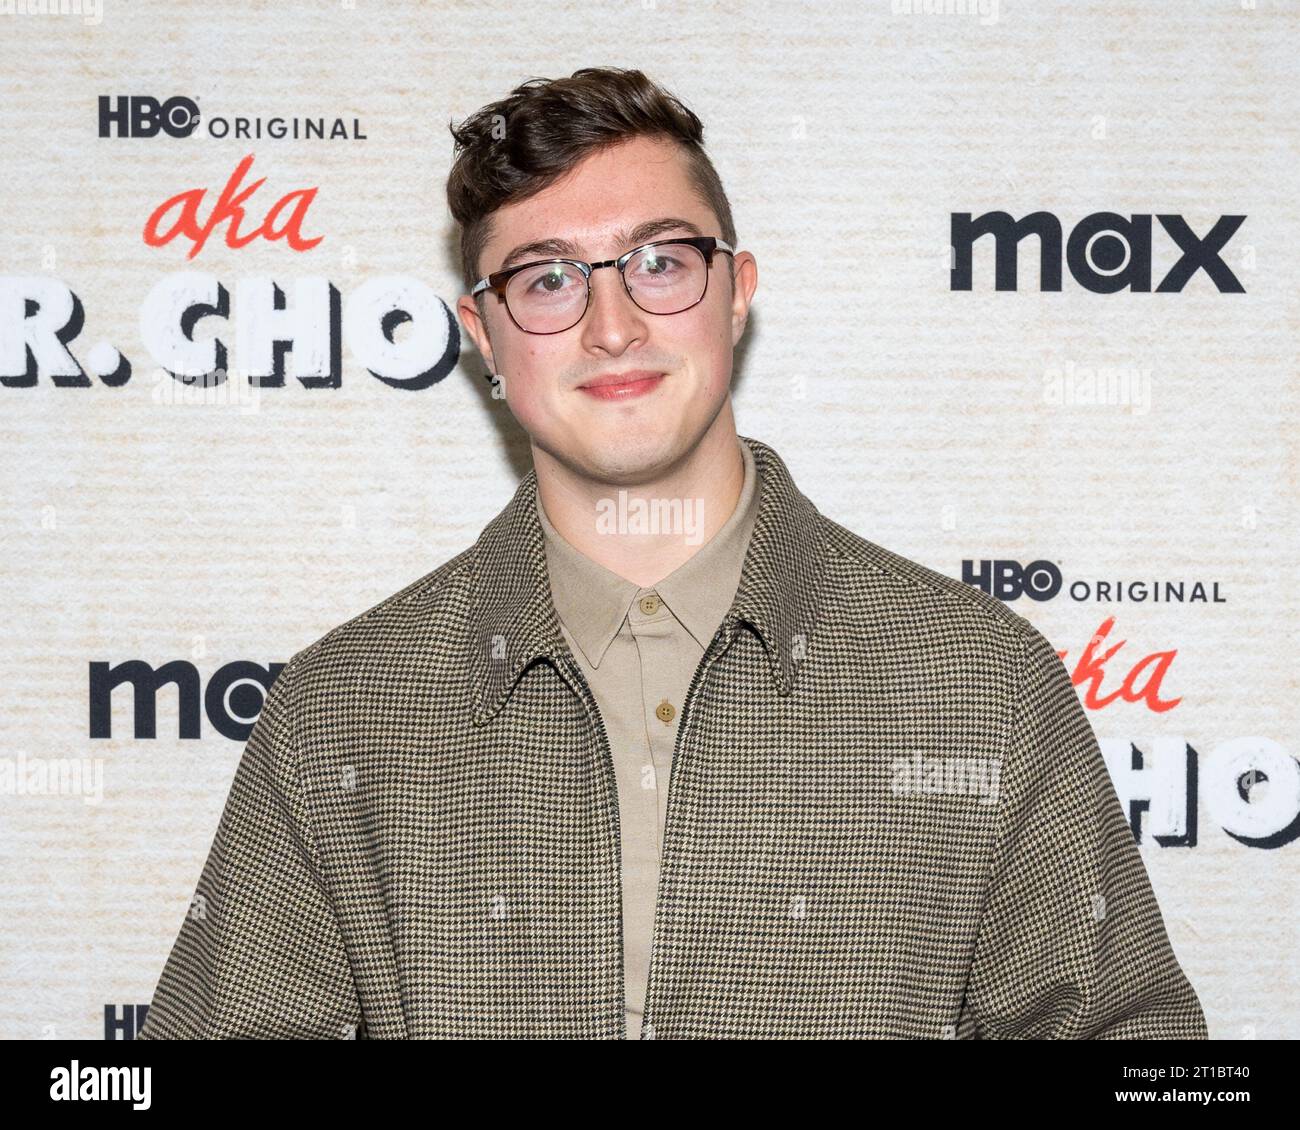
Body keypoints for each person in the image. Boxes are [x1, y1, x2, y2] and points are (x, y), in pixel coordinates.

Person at [139, 66, 1208, 1040]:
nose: (610, 324)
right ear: (483, 335)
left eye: (660, 262)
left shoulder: (978, 682)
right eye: (548, 279)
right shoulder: (343, 708)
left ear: (737, 289)